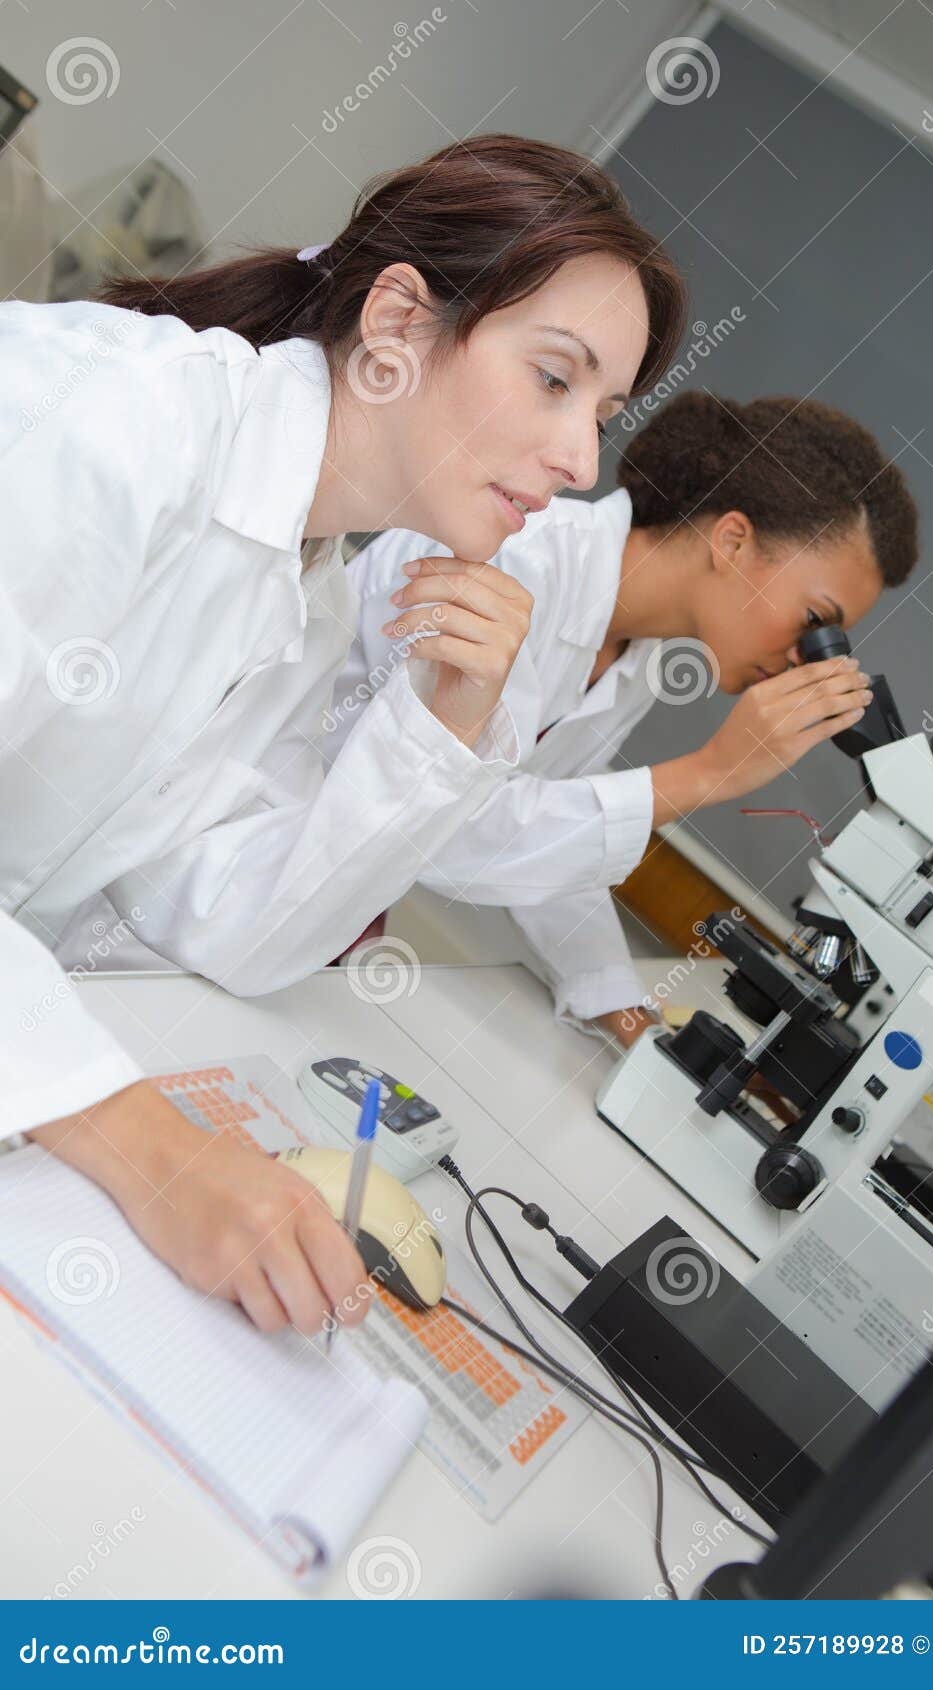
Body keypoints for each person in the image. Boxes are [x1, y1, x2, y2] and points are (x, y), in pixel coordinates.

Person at [0, 134, 687, 1334]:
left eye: (604, 413)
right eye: (552, 379)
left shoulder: (307, 590)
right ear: (397, 323)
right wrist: (146, 1145)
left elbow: (232, 925)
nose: (581, 459)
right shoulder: (118, 419)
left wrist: (444, 724)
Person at [327, 390, 918, 1043]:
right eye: (813, 623)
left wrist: (622, 1011)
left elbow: (550, 827)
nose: (801, 659)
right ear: (732, 541)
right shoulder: (516, 562)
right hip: (235, 859)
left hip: (324, 903)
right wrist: (710, 772)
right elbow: (435, 829)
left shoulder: (636, 650)